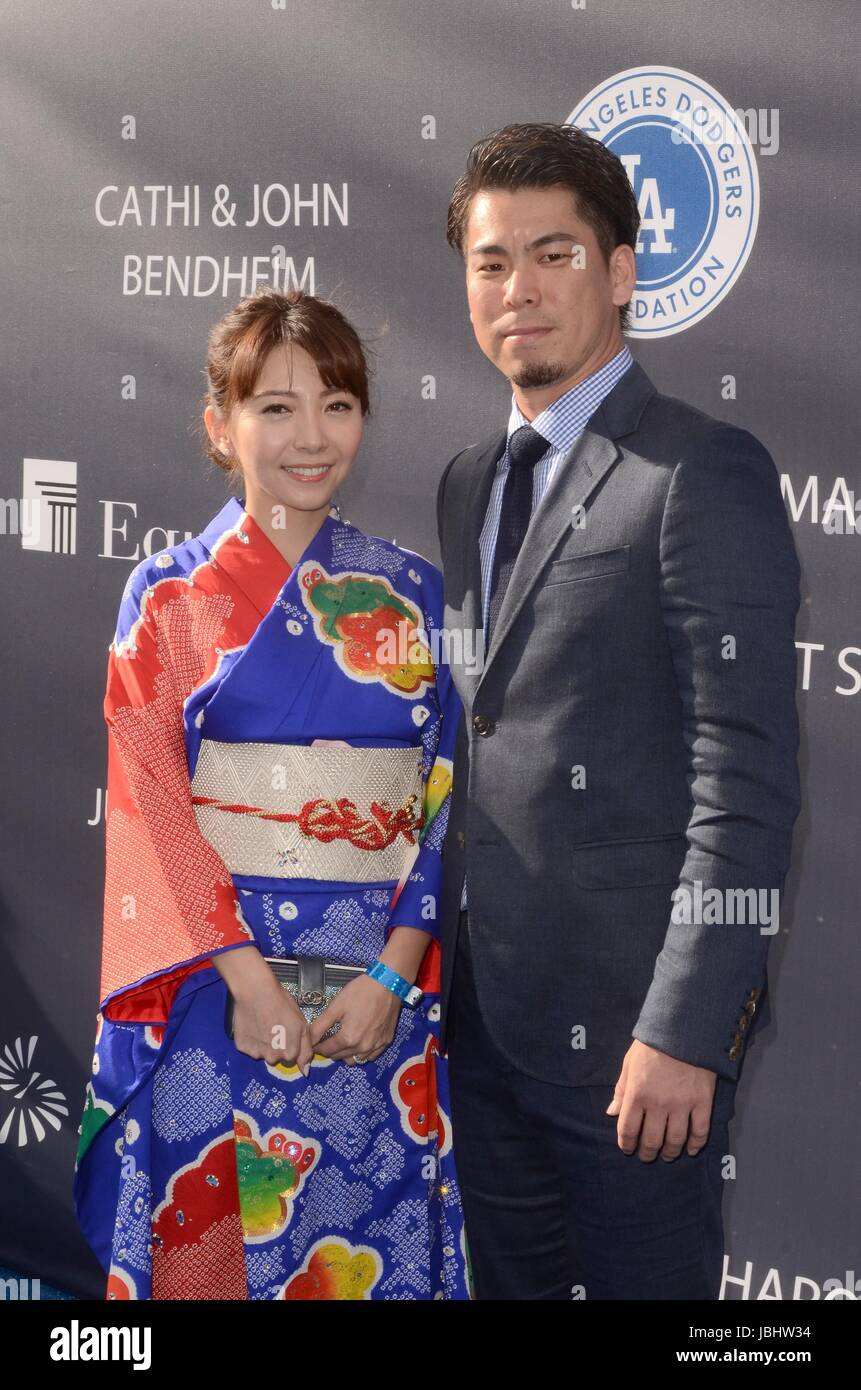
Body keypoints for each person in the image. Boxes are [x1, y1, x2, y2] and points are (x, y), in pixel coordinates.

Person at [435, 122, 801, 1300]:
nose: (520, 290)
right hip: (485, 1028)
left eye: (555, 254)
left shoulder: (701, 471)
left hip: (638, 1048)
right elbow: (480, 729)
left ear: (623, 272)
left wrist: (688, 1031)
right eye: (494, 263)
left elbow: (742, 779)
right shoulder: (465, 481)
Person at [73, 287, 471, 1301]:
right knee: (213, 1257)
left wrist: (394, 972)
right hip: (216, 985)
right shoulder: (166, 595)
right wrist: (248, 983)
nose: (312, 436)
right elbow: (152, 798)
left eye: (338, 405)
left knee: (361, 1257)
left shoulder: (413, 591)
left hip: (374, 995)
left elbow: (448, 791)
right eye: (277, 407)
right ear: (222, 425)